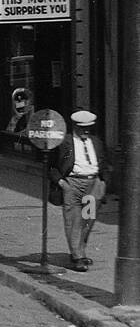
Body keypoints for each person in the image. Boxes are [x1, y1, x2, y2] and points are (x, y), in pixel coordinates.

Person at [49, 110, 111, 272]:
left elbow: (104, 163)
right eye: (82, 127)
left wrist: (103, 182)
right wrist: (62, 183)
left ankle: (79, 251)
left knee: (87, 219)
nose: (86, 130)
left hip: (93, 184)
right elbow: (52, 165)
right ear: (74, 126)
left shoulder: (96, 142)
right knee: (74, 220)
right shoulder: (65, 142)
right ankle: (77, 257)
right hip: (73, 185)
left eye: (89, 127)